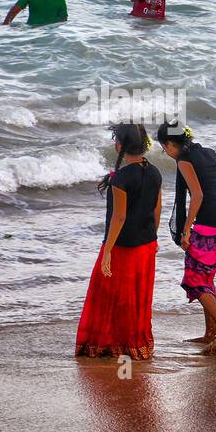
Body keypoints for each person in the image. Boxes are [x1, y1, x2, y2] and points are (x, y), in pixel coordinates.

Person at [74, 123, 162, 360]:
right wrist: (153, 237)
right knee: (136, 296)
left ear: (119, 146)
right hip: (146, 243)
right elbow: (157, 208)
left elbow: (119, 217)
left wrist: (107, 251)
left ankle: (111, 345)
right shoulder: (154, 171)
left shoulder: (121, 179)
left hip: (124, 246)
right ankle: (135, 344)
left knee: (111, 295)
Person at [156, 122, 216, 354]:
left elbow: (198, 195)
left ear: (172, 144)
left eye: (164, 148)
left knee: (194, 279)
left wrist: (186, 230)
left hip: (209, 227)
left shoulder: (184, 161)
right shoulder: (210, 153)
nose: (166, 152)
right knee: (207, 276)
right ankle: (210, 333)